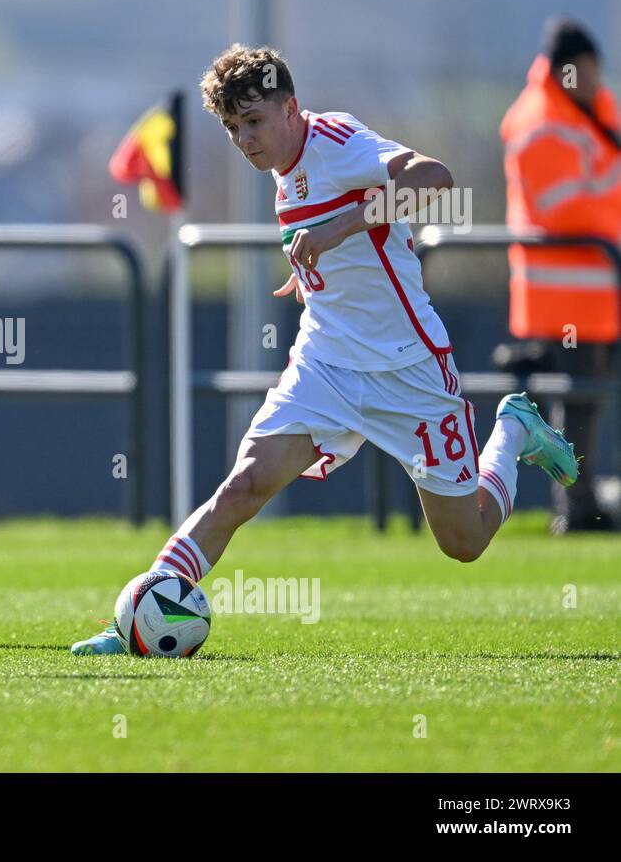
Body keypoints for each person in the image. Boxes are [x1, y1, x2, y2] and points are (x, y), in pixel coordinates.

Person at [73, 44, 578, 655]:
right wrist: (318, 274)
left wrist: (338, 229)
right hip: (327, 365)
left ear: (291, 108)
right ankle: (134, 623)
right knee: (243, 487)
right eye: (233, 128)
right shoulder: (283, 172)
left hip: (408, 368)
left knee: (464, 541)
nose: (245, 140)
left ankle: (515, 428)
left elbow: (436, 179)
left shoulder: (337, 140)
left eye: (253, 122)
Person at [501, 17, 621, 534]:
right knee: (576, 405)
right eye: (589, 69)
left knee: (586, 402)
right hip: (565, 293)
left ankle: (585, 501)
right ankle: (574, 509)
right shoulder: (540, 119)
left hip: (595, 288)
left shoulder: (587, 110)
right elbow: (559, 206)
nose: (596, 78)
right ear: (569, 69)